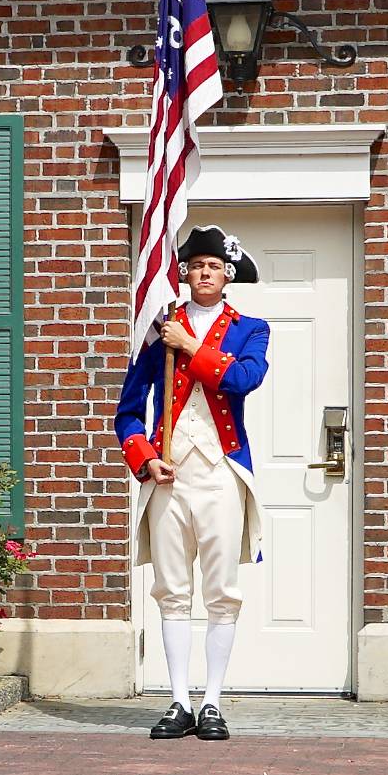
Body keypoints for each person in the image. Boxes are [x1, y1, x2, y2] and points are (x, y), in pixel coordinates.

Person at [113, 226, 269, 742]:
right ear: (183, 272)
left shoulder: (252, 328)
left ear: (229, 275)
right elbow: (129, 413)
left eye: (214, 266)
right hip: (170, 475)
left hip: (221, 472)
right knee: (172, 591)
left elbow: (244, 379)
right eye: (196, 265)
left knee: (222, 592)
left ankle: (213, 703)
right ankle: (179, 699)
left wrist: (191, 347)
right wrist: (145, 460)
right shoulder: (157, 330)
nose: (204, 273)